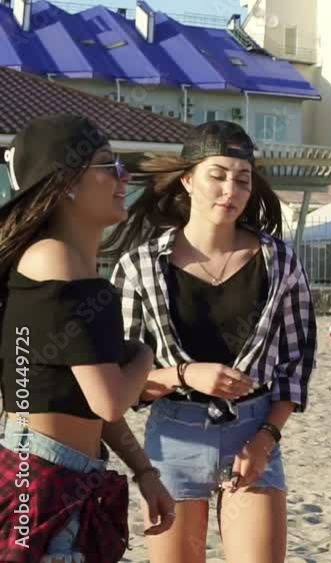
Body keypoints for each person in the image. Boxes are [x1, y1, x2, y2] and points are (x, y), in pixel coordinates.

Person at [103, 121, 317, 563]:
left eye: (242, 179)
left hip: (255, 431)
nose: (230, 189)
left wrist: (266, 439)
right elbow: (117, 380)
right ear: (188, 179)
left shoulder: (280, 260)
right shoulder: (139, 265)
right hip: (173, 436)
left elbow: (295, 367)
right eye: (217, 174)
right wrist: (184, 374)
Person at [0, 114, 174, 562]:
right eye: (108, 165)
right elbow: (110, 401)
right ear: (67, 182)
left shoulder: (53, 261)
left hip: (43, 471)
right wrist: (144, 353)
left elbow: (90, 404)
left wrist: (144, 471)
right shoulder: (56, 259)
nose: (124, 176)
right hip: (47, 479)